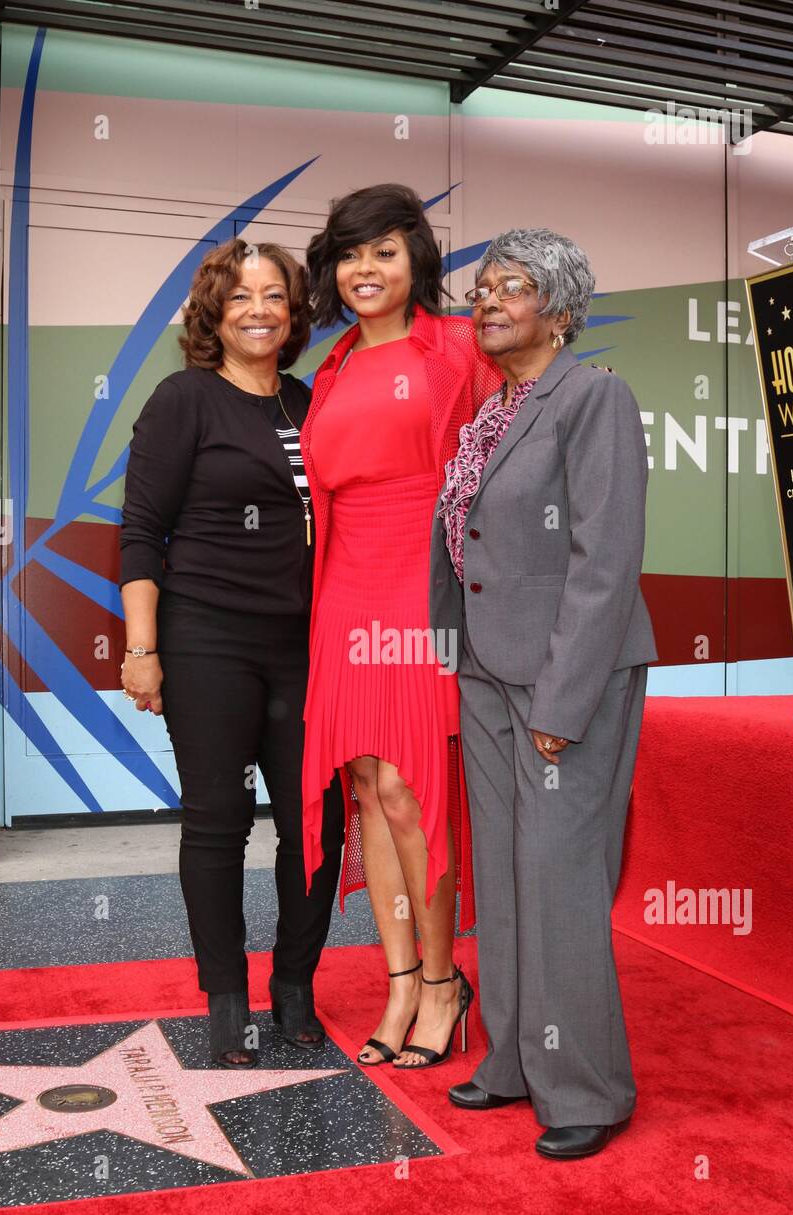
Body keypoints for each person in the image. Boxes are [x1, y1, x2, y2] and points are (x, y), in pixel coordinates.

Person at [430, 227, 658, 1156]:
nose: (486, 301)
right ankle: (517, 1061)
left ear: (559, 312)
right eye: (482, 287)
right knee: (507, 875)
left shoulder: (593, 397)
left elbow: (604, 561)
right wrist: (452, 655)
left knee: (560, 880)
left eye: (510, 287)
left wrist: (563, 703)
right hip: (486, 670)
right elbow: (461, 541)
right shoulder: (494, 409)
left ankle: (588, 1090)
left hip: (571, 674)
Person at [119, 238, 344, 1067]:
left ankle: (294, 984)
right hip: (207, 636)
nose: (260, 309)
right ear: (215, 310)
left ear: (296, 313)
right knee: (217, 822)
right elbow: (141, 532)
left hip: (305, 645)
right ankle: (225, 998)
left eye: (276, 296)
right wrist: (143, 649)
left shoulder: (307, 400)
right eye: (242, 295)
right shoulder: (186, 400)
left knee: (316, 824)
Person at [299, 184, 502, 1069]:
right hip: (345, 589)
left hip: (426, 586)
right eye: (349, 254)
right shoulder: (334, 366)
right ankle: (398, 981)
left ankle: (445, 982)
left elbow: (507, 464)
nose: (365, 269)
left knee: (413, 793)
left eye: (384, 249)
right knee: (368, 792)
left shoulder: (460, 348)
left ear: (416, 257)